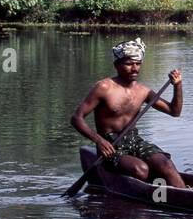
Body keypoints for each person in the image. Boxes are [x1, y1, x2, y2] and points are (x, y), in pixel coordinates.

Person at [70, 38, 186, 187]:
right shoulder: (104, 87)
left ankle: (188, 197)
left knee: (166, 164)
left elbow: (174, 111)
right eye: (129, 64)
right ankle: (150, 188)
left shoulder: (143, 91)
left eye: (138, 64)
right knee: (141, 170)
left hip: (134, 141)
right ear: (117, 65)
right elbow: (76, 118)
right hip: (111, 146)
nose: (135, 68)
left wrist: (178, 85)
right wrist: (99, 141)